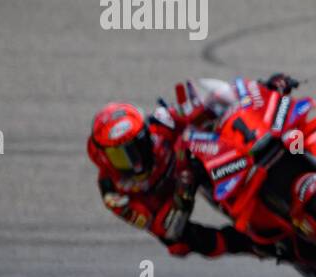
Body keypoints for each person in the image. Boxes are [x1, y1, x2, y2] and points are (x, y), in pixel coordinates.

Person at [86, 74, 300, 258]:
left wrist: (261, 90)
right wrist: (182, 193)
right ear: (103, 158)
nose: (135, 160)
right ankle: (256, 245)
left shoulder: (160, 124)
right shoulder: (114, 192)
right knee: (178, 243)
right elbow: (164, 228)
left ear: (145, 134)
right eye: (121, 156)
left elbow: (202, 108)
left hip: (198, 163)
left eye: (138, 145)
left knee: (230, 127)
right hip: (171, 201)